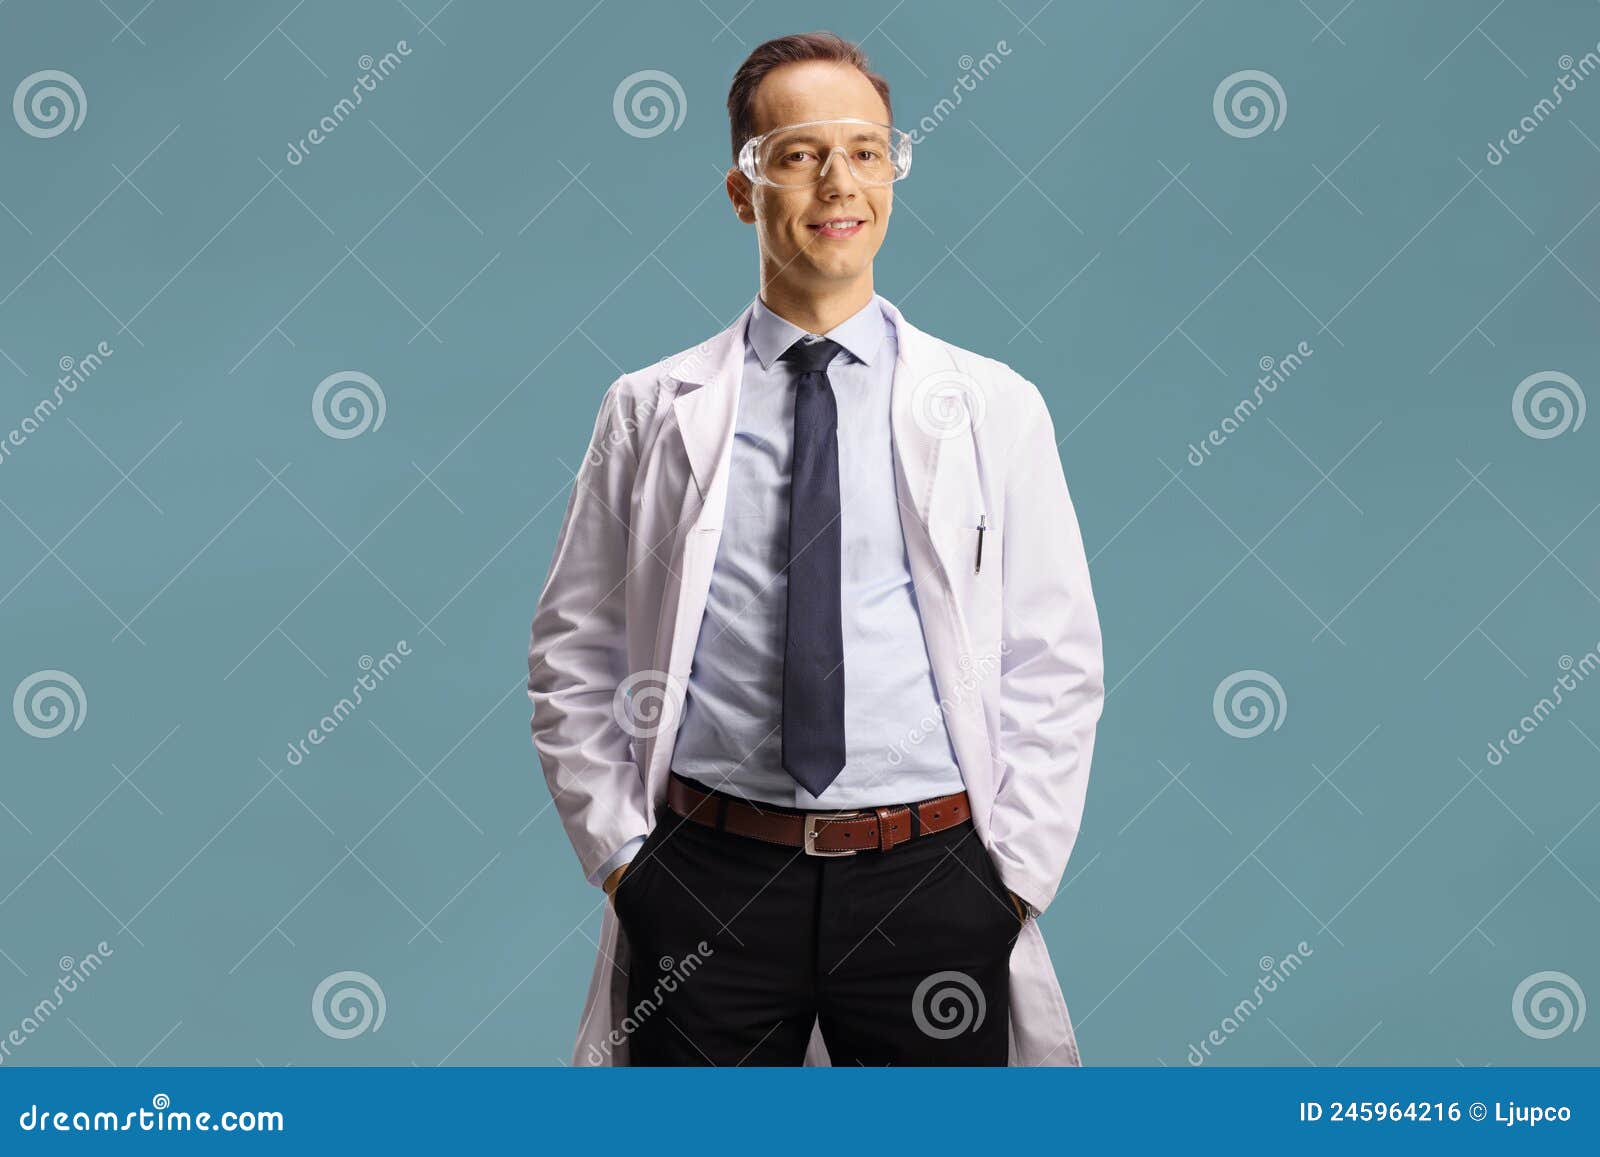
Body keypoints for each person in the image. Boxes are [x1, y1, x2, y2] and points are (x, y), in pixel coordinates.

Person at [528, 30, 1104, 1066]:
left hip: (932, 880)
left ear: (892, 172)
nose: (839, 181)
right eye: (797, 154)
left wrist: (1008, 879)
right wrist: (625, 861)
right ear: (743, 189)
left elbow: (1055, 658)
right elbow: (572, 649)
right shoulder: (652, 410)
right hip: (707, 878)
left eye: (867, 150)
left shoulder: (992, 407)